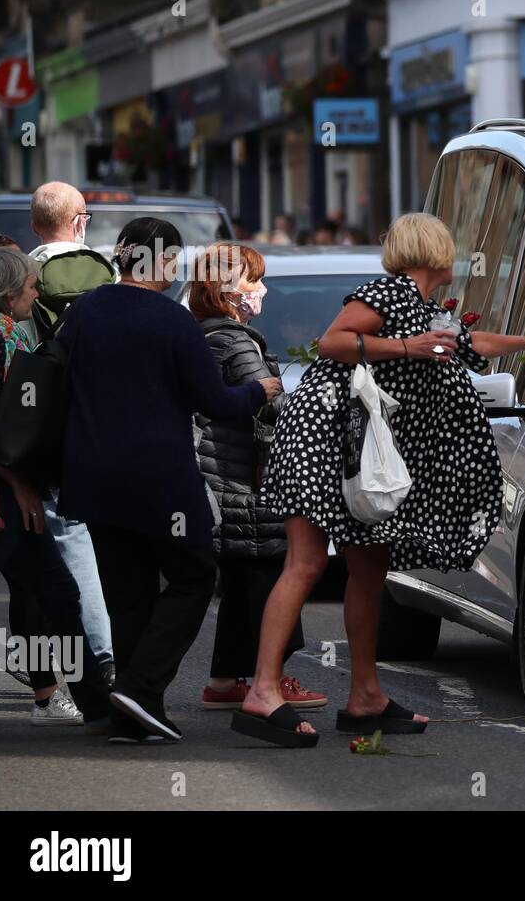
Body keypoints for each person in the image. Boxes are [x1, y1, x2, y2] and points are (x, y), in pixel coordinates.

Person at [233, 212, 525, 747]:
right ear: (434, 252)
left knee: (370, 568)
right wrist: (406, 348)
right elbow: (333, 342)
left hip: (354, 451)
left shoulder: (422, 308)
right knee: (306, 563)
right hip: (323, 439)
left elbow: (470, 342)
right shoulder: (387, 292)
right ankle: (263, 690)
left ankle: (365, 695)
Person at [57, 218, 281, 743]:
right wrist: (261, 391)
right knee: (193, 575)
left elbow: (57, 382)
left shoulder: (84, 310)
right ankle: (140, 687)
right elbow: (215, 401)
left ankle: (135, 710)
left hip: (93, 475)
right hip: (160, 478)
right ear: (163, 262)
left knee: (126, 591)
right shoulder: (172, 320)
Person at [188, 242, 326, 711]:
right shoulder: (232, 338)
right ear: (226, 290)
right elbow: (273, 405)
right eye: (252, 281)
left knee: (244, 579)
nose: (261, 290)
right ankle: (275, 677)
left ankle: (225, 681)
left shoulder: (205, 332)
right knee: (270, 572)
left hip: (225, 477)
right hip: (244, 480)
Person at [0, 246, 112, 727]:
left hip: (12, 499)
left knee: (59, 595)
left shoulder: (8, 334)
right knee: (57, 595)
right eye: (31, 286)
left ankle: (98, 706)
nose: (37, 293)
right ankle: (98, 704)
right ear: (9, 290)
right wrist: (21, 487)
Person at [26, 182, 117, 689]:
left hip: (53, 425)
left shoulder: (26, 275)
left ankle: (98, 658)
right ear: (81, 220)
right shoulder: (109, 274)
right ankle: (124, 654)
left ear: (35, 223)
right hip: (110, 423)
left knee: (67, 535)